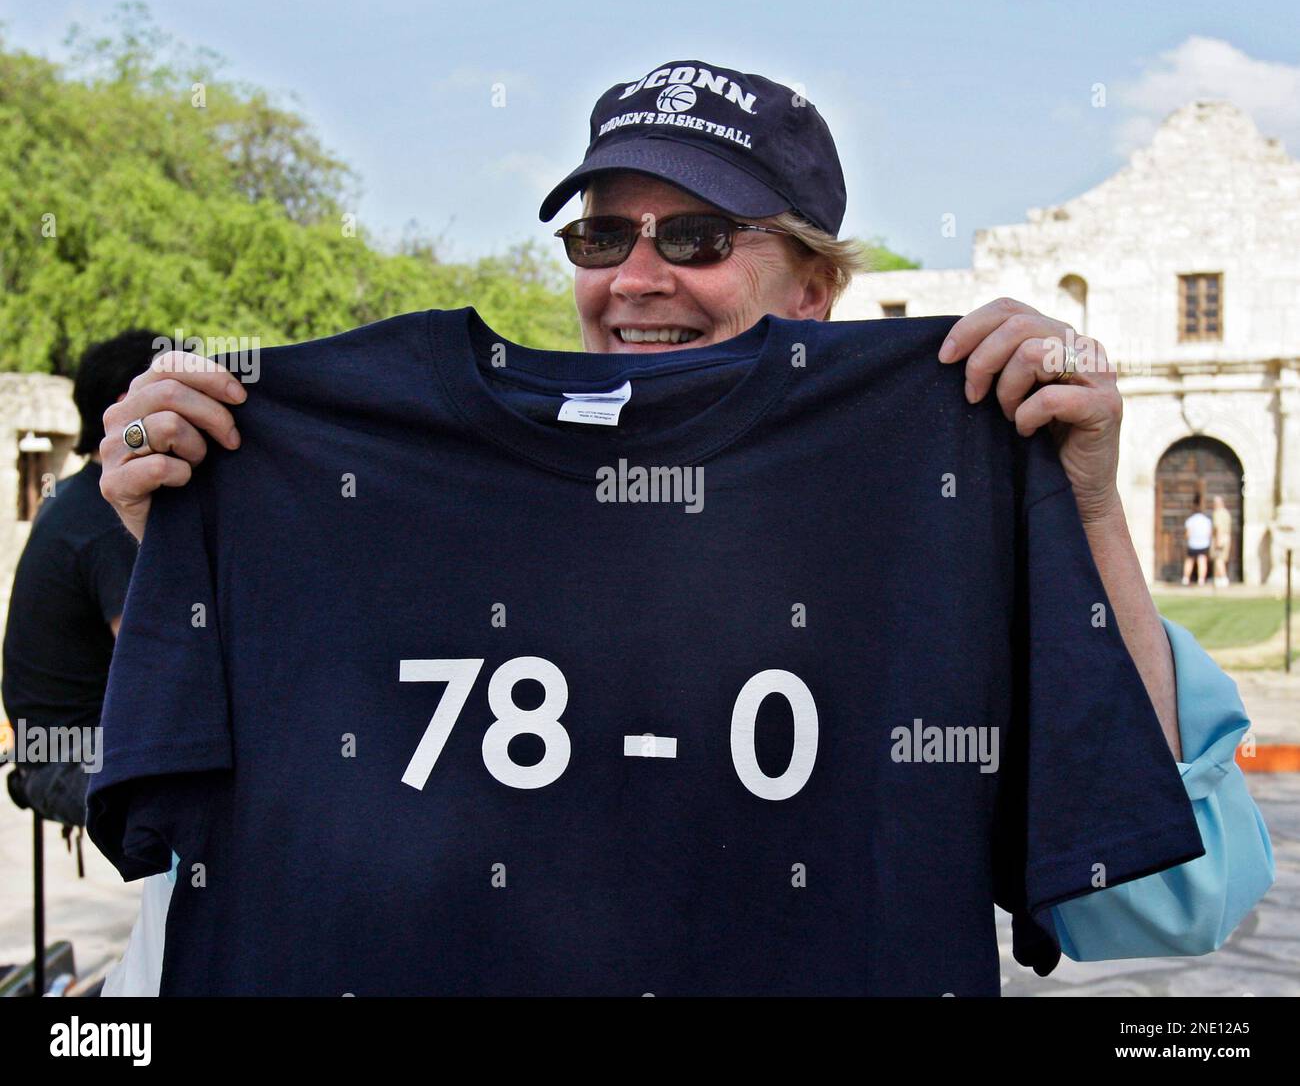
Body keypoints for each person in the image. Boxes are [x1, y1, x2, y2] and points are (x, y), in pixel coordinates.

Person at [94, 59, 1272, 980]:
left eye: (697, 235)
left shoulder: (937, 485)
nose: (637, 276)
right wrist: (211, 556)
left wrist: (1083, 509)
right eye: (601, 235)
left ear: (812, 288)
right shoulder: (361, 471)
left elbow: (1166, 897)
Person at [3, 330, 162, 827]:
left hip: (53, 750)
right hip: (67, 762)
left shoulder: (76, 495)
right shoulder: (107, 520)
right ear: (128, 406)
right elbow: (158, 664)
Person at [1183, 500, 1213, 586]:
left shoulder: (1190, 520)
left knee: (1189, 561)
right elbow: (1209, 533)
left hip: (1193, 543)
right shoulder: (1207, 520)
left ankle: (1186, 578)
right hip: (1203, 543)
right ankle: (1201, 580)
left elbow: (1187, 534)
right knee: (1202, 561)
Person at [1211, 495, 1233, 588]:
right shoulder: (1226, 513)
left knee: (1218, 558)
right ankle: (1217, 579)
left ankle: (1223, 578)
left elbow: (1218, 527)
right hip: (1227, 537)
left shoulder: (1218, 513)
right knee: (1221, 559)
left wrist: (1218, 540)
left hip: (1220, 537)